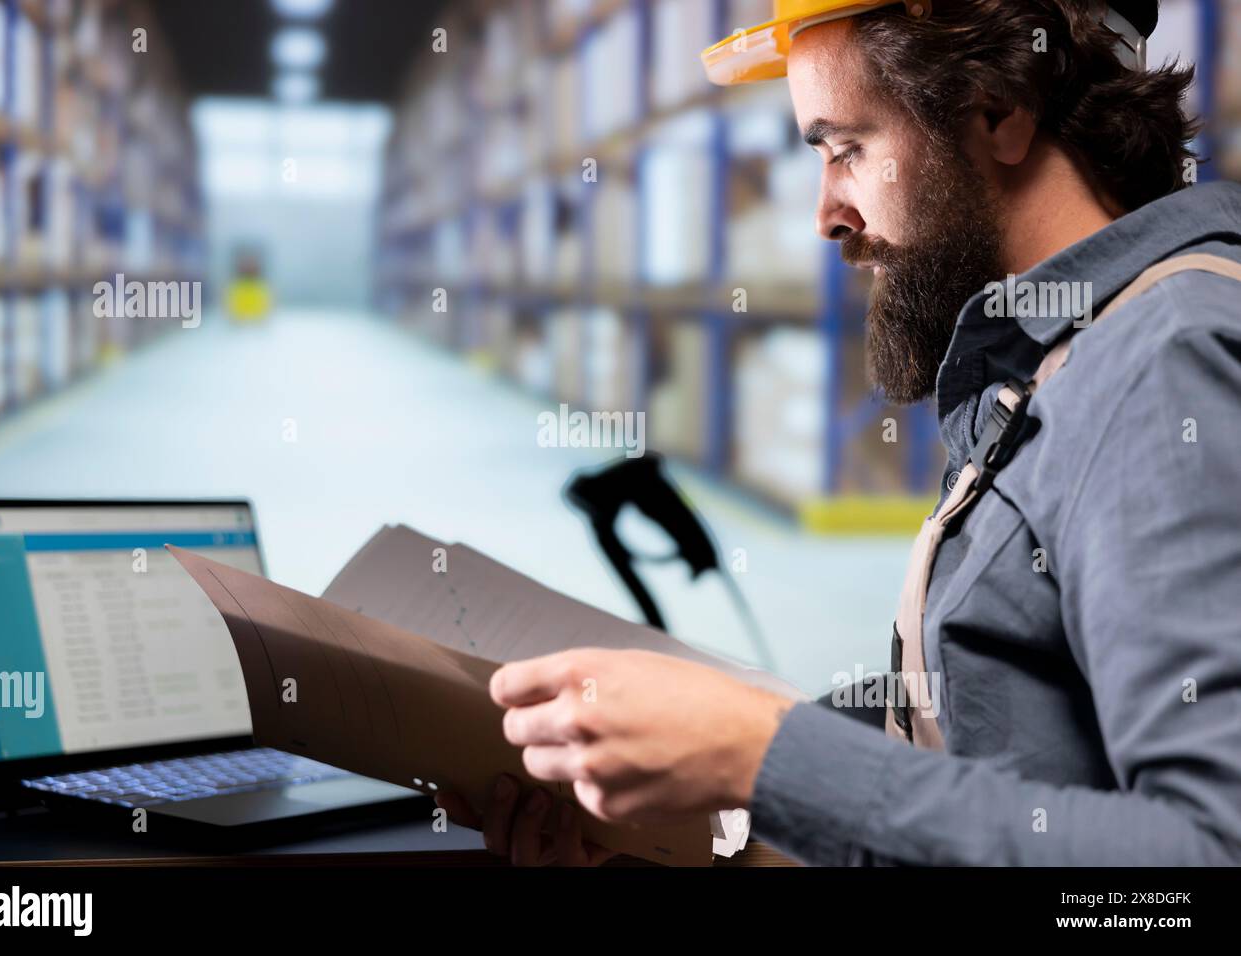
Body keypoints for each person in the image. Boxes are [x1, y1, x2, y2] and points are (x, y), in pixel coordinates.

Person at [436, 0, 1241, 866]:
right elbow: (997, 724)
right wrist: (692, 803)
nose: (827, 215)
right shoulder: (1049, 355)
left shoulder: (1164, 364)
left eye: (846, 149)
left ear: (998, 110)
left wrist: (762, 755)